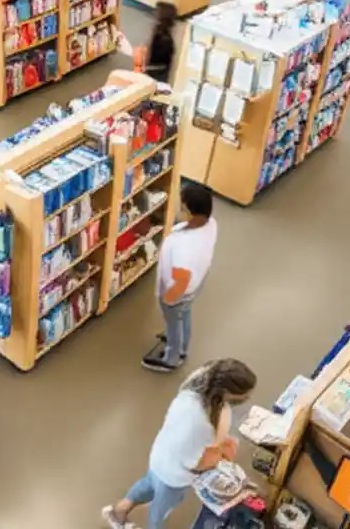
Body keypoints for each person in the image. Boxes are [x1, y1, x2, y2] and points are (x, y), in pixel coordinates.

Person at [102, 359, 258, 529]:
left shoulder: (195, 387)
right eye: (245, 395)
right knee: (160, 511)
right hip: (174, 476)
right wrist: (222, 455)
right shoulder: (203, 424)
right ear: (227, 392)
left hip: (160, 455)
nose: (248, 398)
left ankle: (119, 511)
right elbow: (194, 464)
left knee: (148, 483)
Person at [143, 184, 218, 373]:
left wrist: (168, 299)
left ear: (192, 213)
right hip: (196, 283)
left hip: (178, 290)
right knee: (184, 314)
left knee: (174, 320)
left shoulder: (185, 247)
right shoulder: (210, 225)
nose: (180, 210)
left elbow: (181, 279)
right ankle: (182, 345)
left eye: (183, 208)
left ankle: (172, 358)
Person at [133, 1, 178, 83]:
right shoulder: (159, 32)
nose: (154, 13)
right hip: (152, 71)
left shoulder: (165, 41)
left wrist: (144, 68)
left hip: (156, 76)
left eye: (157, 12)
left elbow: (162, 66)